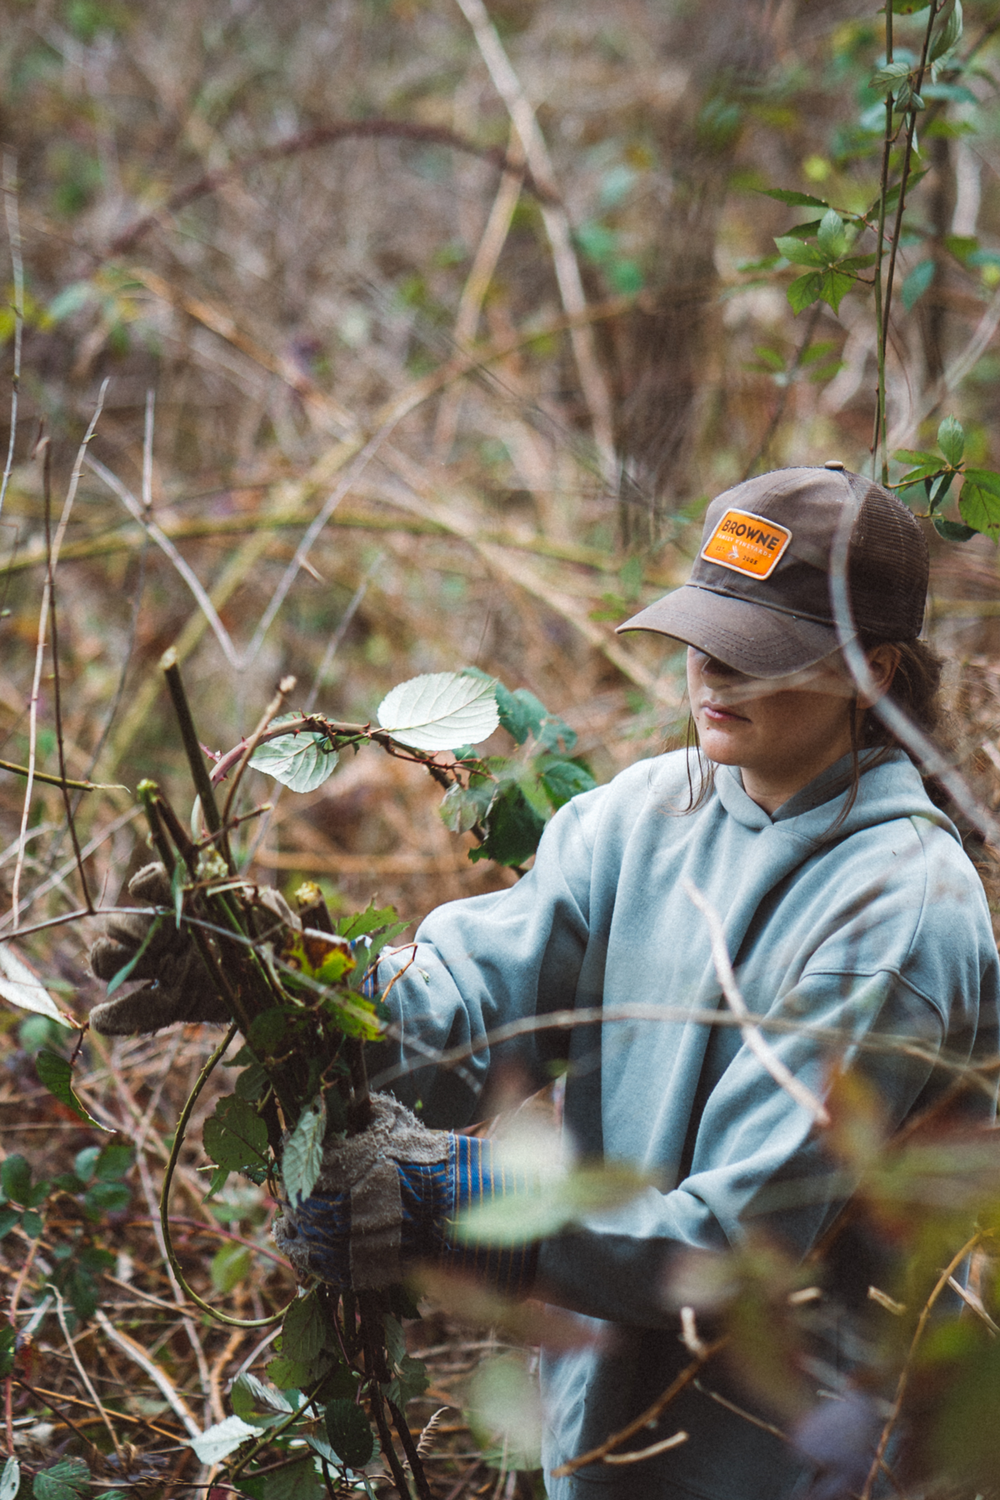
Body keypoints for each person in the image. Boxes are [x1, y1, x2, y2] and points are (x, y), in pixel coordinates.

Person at [92, 464, 1000, 1500]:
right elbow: (469, 1008)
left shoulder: (895, 914)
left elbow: (738, 1242)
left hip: (791, 1465)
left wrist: (460, 1199)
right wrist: (291, 980)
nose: (710, 673)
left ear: (872, 672)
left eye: (758, 653)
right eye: (702, 638)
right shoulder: (643, 816)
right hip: (603, 1440)